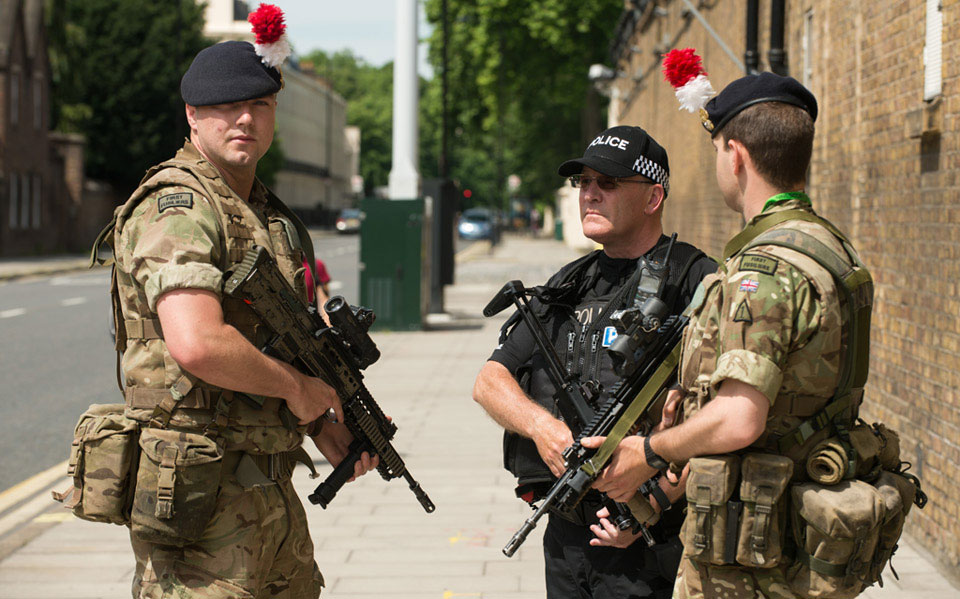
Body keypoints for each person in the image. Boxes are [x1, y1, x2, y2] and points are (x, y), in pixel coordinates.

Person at [106, 29, 377, 598]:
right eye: (226, 107)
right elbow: (198, 343)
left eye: (259, 105)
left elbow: (280, 340)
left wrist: (322, 422)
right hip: (200, 503)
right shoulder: (178, 205)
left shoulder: (262, 212)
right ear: (192, 116)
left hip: (268, 496)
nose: (244, 120)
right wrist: (300, 391)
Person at [587, 73, 873, 598]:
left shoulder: (762, 271)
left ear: (735, 156)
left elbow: (739, 418)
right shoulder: (832, 249)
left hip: (756, 560)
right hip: (804, 535)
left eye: (717, 148)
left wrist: (647, 450)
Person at [473, 126, 716, 598]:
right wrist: (545, 431)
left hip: (656, 543)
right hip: (567, 538)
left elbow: (723, 416)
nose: (590, 194)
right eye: (583, 182)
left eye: (608, 183)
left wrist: (653, 499)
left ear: (653, 198)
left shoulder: (696, 281)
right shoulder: (571, 282)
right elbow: (489, 379)